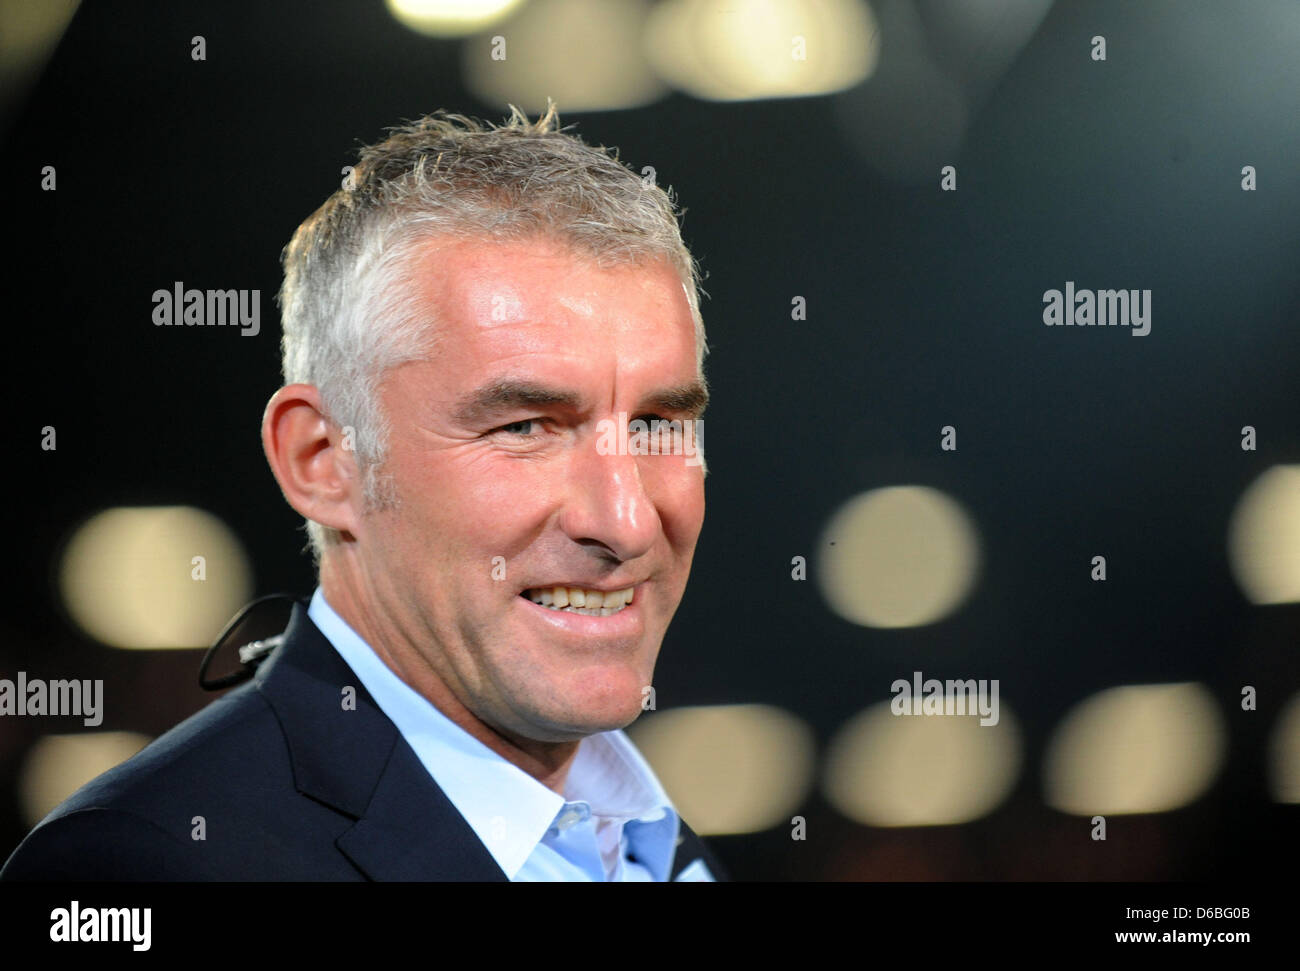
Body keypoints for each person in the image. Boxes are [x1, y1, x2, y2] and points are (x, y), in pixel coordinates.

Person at [3, 102, 724, 881]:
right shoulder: (141, 866)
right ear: (321, 459)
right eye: (526, 427)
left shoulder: (655, 845)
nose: (625, 520)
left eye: (657, 423)